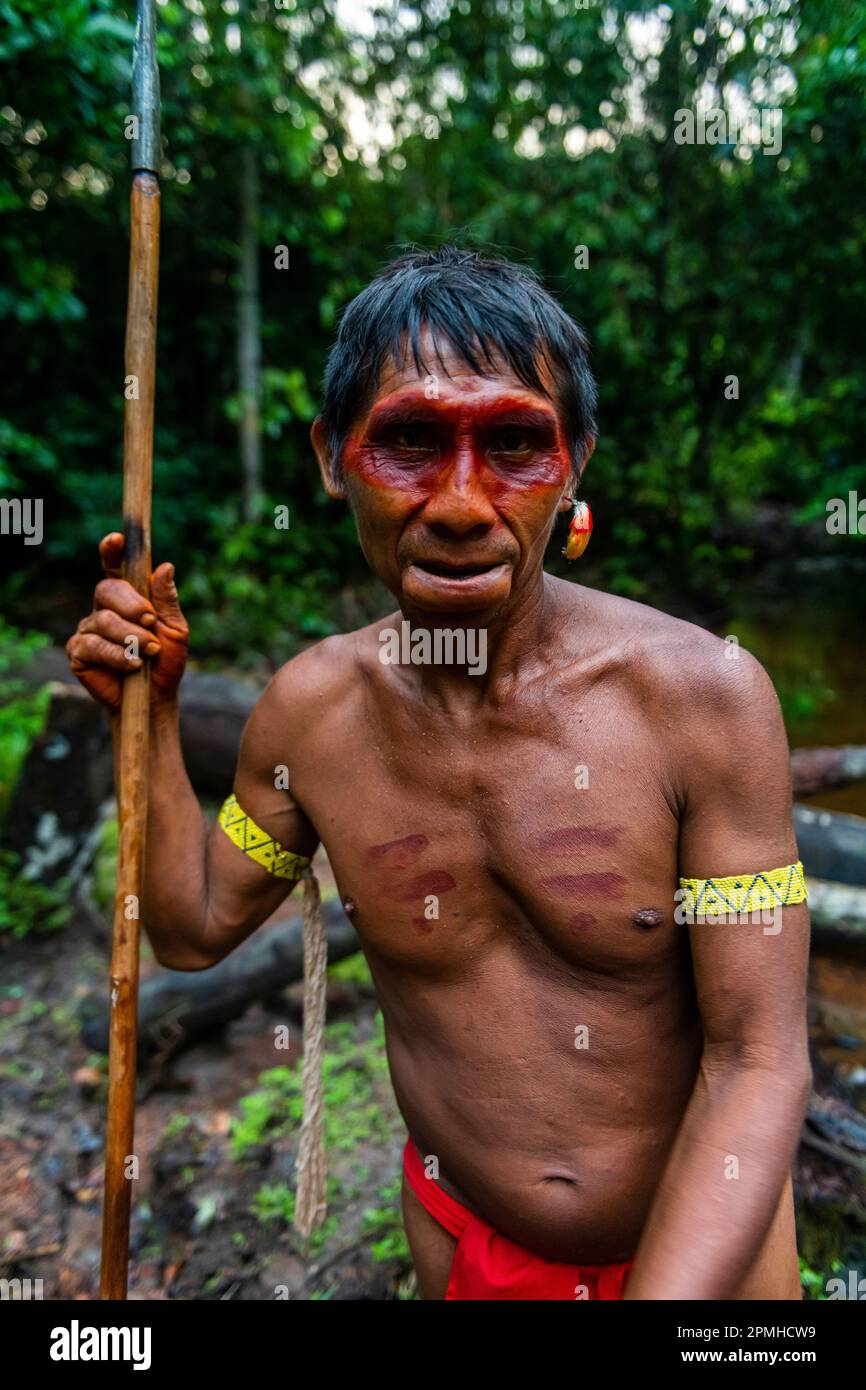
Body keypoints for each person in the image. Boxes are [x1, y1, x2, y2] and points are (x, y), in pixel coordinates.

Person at [67, 245, 810, 1300]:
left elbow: (759, 1060)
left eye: (514, 444)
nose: (461, 503)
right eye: (409, 441)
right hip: (462, 1238)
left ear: (576, 461)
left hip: (710, 1267)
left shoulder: (704, 700)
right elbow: (187, 928)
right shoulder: (314, 716)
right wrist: (148, 712)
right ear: (331, 456)